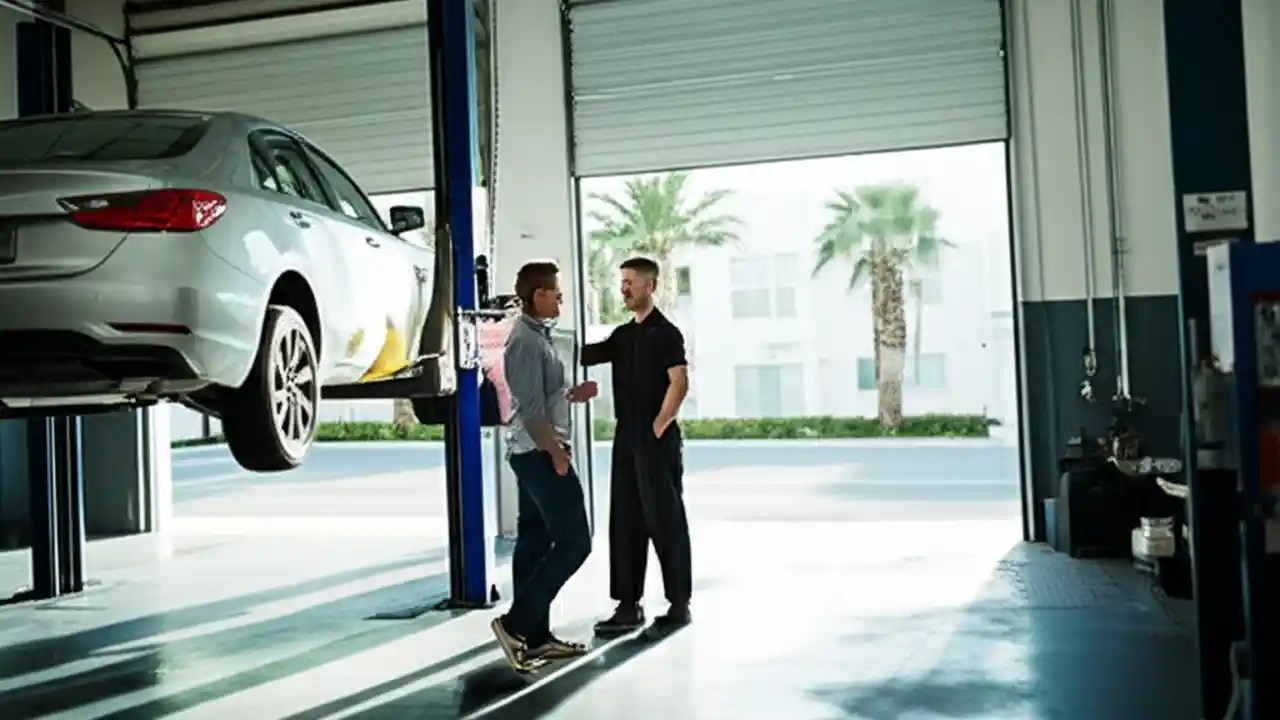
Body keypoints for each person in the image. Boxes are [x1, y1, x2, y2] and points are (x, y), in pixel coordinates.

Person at [491, 260, 599, 672]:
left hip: (539, 449)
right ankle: (516, 625)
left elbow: (543, 395)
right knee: (576, 543)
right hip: (538, 453)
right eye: (555, 292)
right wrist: (556, 455)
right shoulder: (524, 341)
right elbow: (530, 410)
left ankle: (534, 640)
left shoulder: (539, 336)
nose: (560, 298)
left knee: (535, 542)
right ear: (537, 295)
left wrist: (572, 394)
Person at [582, 257, 692, 637]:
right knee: (625, 520)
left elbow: (679, 382)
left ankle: (679, 605)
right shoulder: (622, 336)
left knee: (665, 520)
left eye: (630, 282)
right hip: (626, 437)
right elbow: (585, 355)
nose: (624, 289)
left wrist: (660, 424)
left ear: (650, 286)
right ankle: (627, 606)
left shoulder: (667, 334)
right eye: (622, 282)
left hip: (656, 439)